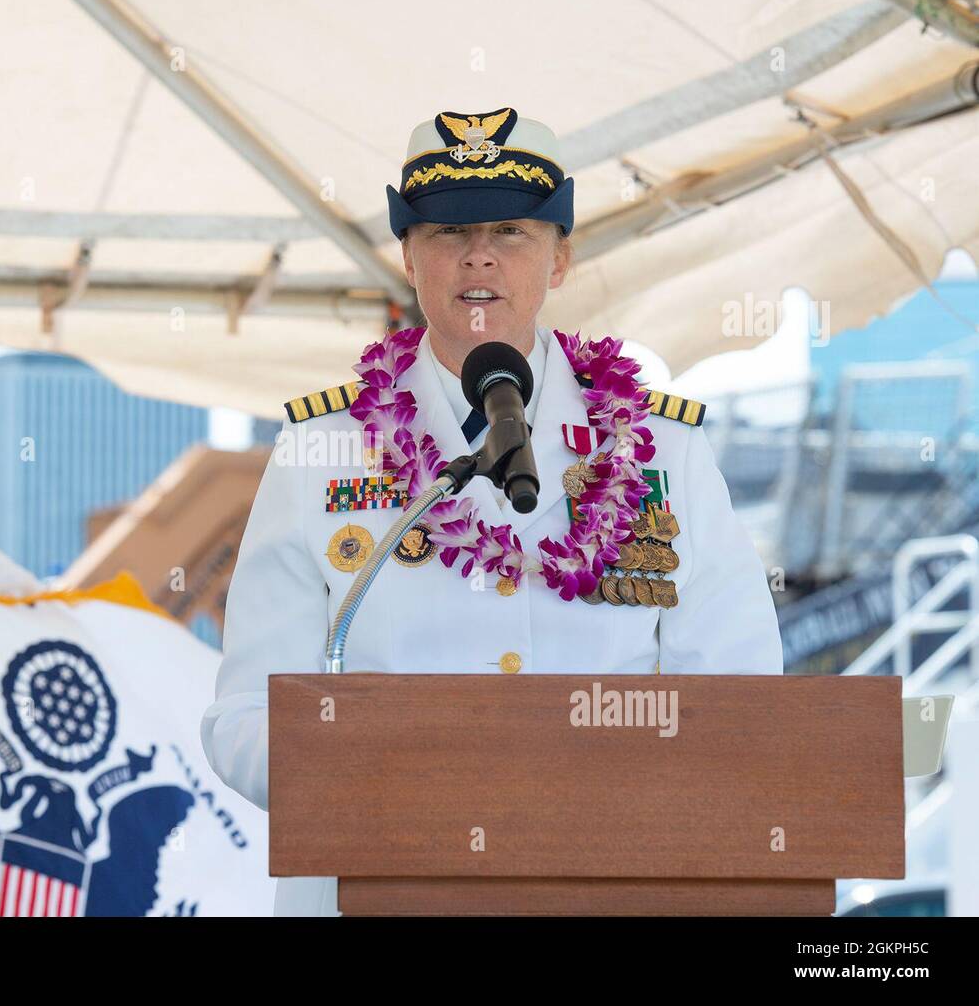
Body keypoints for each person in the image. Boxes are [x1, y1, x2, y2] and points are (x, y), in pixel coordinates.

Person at [200, 107, 783, 917]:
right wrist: (377, 775)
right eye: (448, 231)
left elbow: (739, 694)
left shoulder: (661, 451)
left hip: (605, 887)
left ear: (561, 256)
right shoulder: (319, 449)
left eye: (512, 230)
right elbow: (242, 717)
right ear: (408, 256)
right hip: (377, 883)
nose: (478, 254)